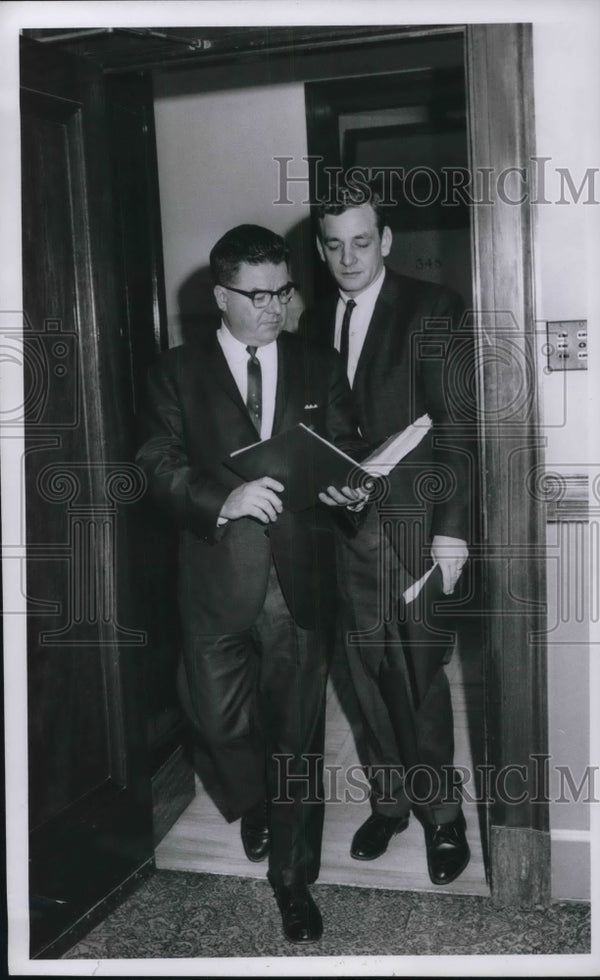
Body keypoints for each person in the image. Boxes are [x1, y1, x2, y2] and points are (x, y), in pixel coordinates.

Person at [136, 224, 364, 943]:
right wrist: (220, 498)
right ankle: (252, 800)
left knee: (296, 739)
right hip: (213, 578)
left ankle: (293, 882)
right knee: (214, 721)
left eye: (284, 291)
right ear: (219, 296)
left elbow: (348, 449)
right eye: (257, 295)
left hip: (296, 582)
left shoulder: (318, 363)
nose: (274, 307)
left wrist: (350, 490)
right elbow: (153, 459)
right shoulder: (175, 371)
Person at [303, 185, 474, 886]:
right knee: (364, 674)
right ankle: (391, 803)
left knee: (417, 676)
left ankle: (443, 818)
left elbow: (458, 427)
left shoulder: (433, 309)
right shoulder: (311, 322)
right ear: (320, 248)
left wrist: (454, 534)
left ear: (388, 240)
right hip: (339, 534)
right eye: (334, 244)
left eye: (362, 242)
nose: (349, 257)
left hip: (411, 527)